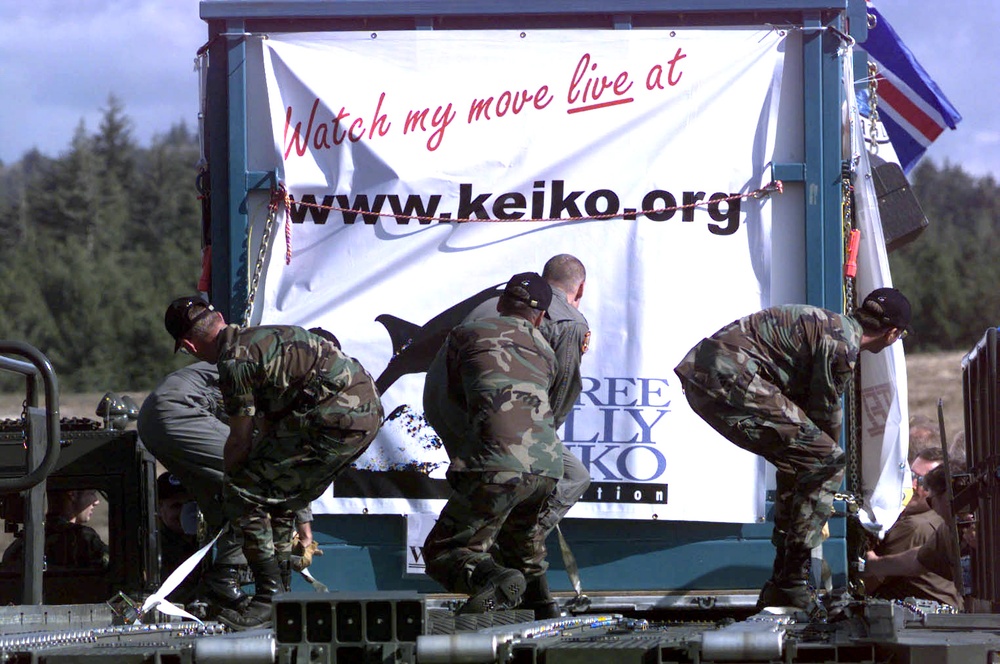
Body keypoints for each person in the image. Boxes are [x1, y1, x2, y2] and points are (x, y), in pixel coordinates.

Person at [673, 287, 912, 614]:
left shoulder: (831, 327)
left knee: (801, 463)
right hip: (727, 377)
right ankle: (792, 580)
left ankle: (784, 580)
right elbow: (827, 423)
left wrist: (815, 490)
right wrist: (823, 496)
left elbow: (811, 429)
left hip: (709, 376)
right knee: (826, 461)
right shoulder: (842, 344)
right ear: (893, 333)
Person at [162, 296, 383, 630]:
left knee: (242, 492)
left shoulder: (234, 361)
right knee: (277, 496)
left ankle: (268, 597)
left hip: (335, 418)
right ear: (218, 317)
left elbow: (240, 439)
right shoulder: (264, 338)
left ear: (190, 346)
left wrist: (233, 484)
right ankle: (280, 598)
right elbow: (267, 429)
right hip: (363, 413)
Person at [422, 272, 563, 617]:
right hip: (547, 467)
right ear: (540, 317)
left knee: (444, 551)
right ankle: (543, 609)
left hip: (495, 462)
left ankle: (495, 580)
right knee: (522, 547)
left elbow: (446, 398)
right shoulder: (547, 351)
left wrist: (467, 453)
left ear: (500, 303)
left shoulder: (465, 334)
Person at [463, 254, 592, 617]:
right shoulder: (570, 322)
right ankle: (512, 542)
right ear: (580, 289)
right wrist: (540, 447)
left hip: (469, 420)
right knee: (572, 477)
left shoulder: (487, 307)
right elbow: (559, 396)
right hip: (515, 428)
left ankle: (513, 564)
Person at [138, 362, 320, 614]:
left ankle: (220, 584)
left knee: (226, 506)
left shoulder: (267, 366)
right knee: (253, 476)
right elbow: (280, 459)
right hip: (177, 413)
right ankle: (229, 580)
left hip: (154, 423)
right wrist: (305, 528)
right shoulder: (279, 381)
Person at [867, 447, 961, 607]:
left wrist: (867, 564)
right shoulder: (938, 521)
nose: (912, 485)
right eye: (910, 476)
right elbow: (917, 560)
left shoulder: (915, 526)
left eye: (923, 482)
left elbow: (868, 583)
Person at [2, 489, 109, 570]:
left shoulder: (18, 547)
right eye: (91, 493)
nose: (96, 501)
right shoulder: (83, 539)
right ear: (72, 494)